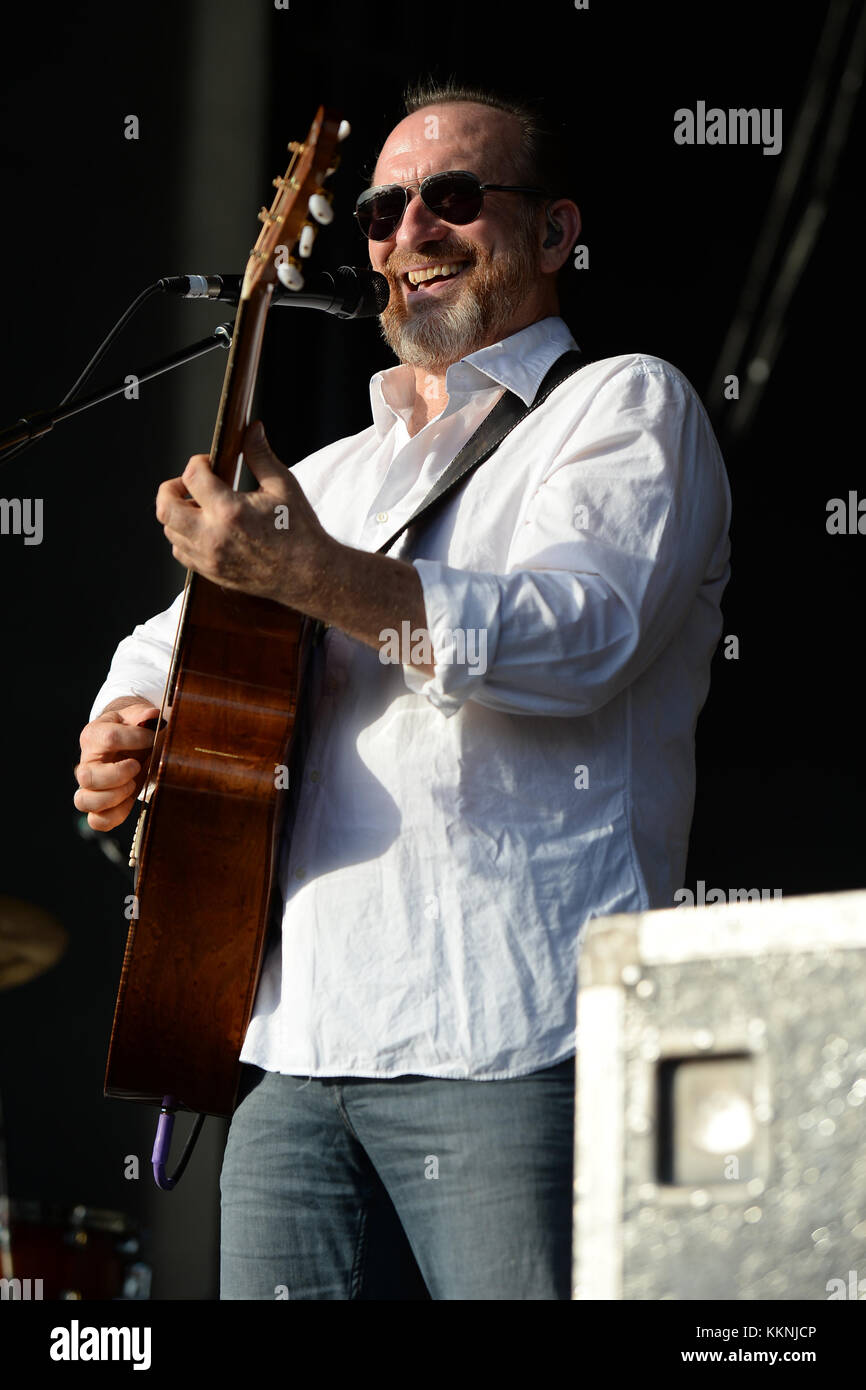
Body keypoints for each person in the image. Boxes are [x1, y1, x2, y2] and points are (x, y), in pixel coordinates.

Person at [73, 82, 731, 1300]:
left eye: (453, 197)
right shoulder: (332, 471)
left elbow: (582, 635)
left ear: (551, 231)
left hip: (516, 1038)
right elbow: (159, 647)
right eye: (381, 209)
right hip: (294, 1047)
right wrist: (122, 730)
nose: (410, 231)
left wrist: (313, 573)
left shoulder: (621, 405)